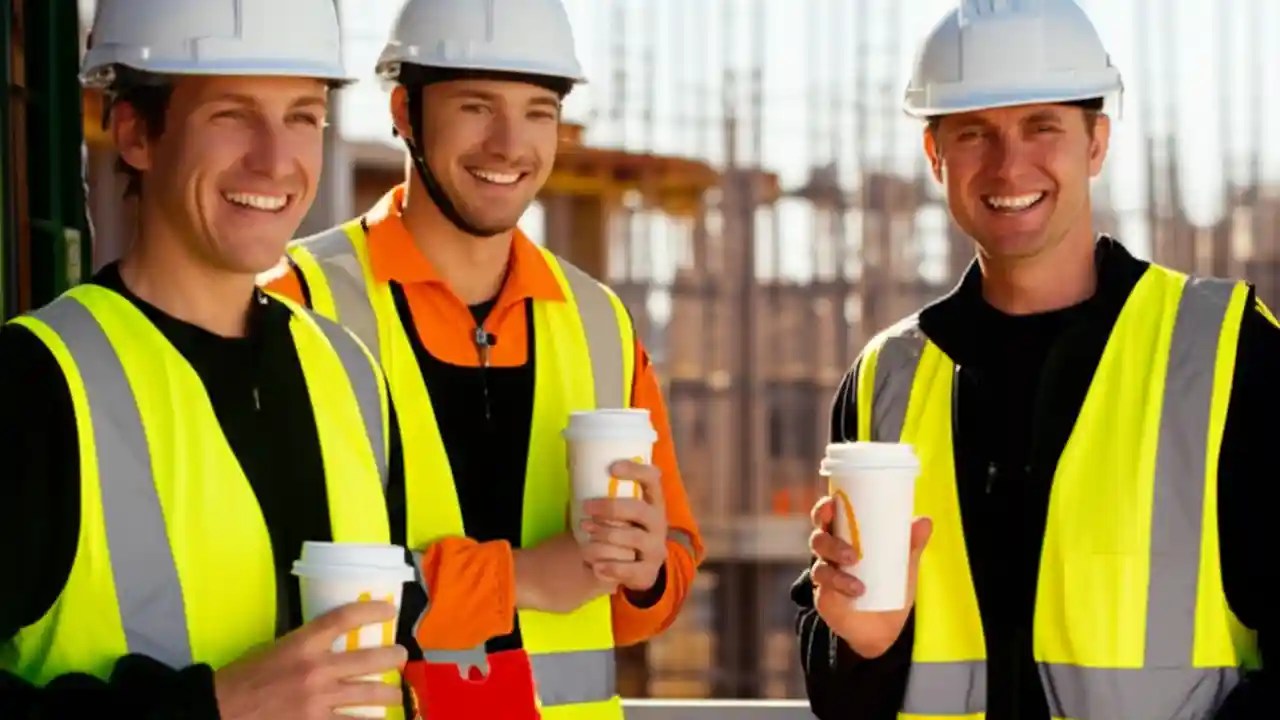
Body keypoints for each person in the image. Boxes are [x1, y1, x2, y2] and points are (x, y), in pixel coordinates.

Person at [793, 1, 1273, 719]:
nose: (1008, 163)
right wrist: (863, 646)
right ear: (936, 157)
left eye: (1041, 126)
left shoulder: (1225, 351)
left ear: (1096, 143)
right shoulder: (887, 378)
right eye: (974, 133)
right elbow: (845, 696)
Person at [260, 0, 704, 718]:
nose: (509, 145)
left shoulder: (598, 320)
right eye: (476, 106)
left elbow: (666, 574)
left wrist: (647, 571)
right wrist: (518, 579)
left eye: (537, 112)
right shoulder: (295, 302)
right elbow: (273, 579)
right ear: (405, 111)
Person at [0, 1, 411, 717]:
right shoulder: (31, 386)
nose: (276, 160)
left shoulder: (350, 375)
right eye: (231, 114)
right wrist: (212, 706)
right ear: (135, 132)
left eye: (302, 116)